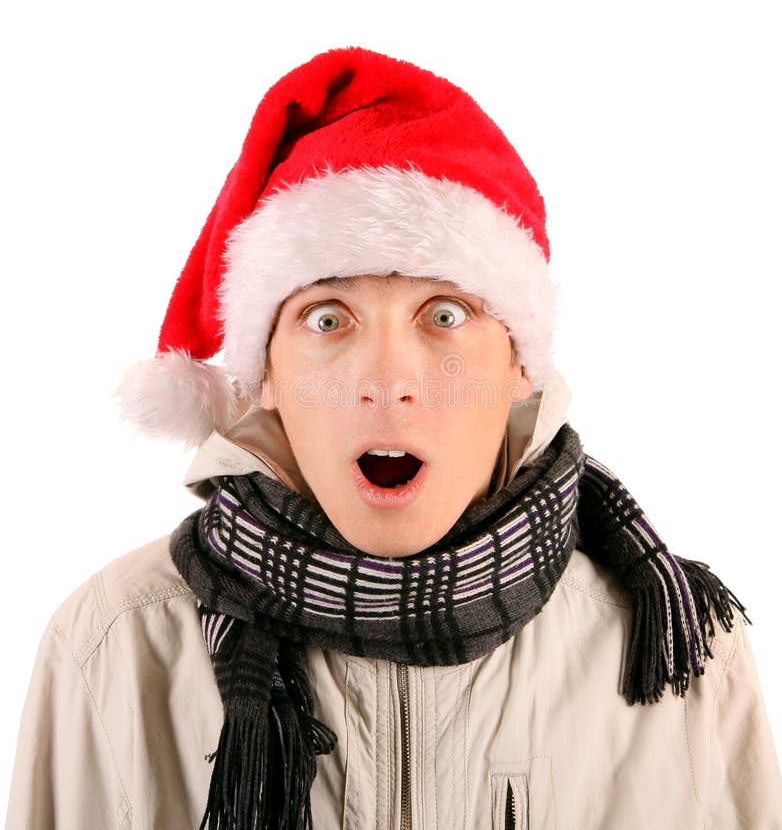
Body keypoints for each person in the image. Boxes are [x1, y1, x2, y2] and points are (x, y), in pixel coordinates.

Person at [6, 46, 782, 829]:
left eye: (445, 315)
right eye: (327, 318)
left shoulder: (684, 651)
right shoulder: (112, 645)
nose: (387, 378)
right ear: (263, 375)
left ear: (521, 364)